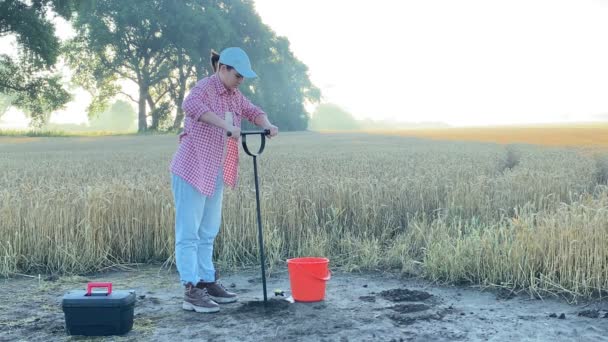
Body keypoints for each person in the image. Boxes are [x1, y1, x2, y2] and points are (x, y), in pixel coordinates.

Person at [170, 47, 279, 313]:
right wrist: (226, 125)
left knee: (208, 231)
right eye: (237, 74)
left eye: (244, 76)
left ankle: (207, 281)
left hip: (216, 169)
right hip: (192, 168)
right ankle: (191, 289)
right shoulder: (204, 88)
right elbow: (191, 106)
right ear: (223, 69)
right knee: (189, 233)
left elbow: (253, 110)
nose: (241, 80)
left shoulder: (234, 95)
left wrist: (267, 124)